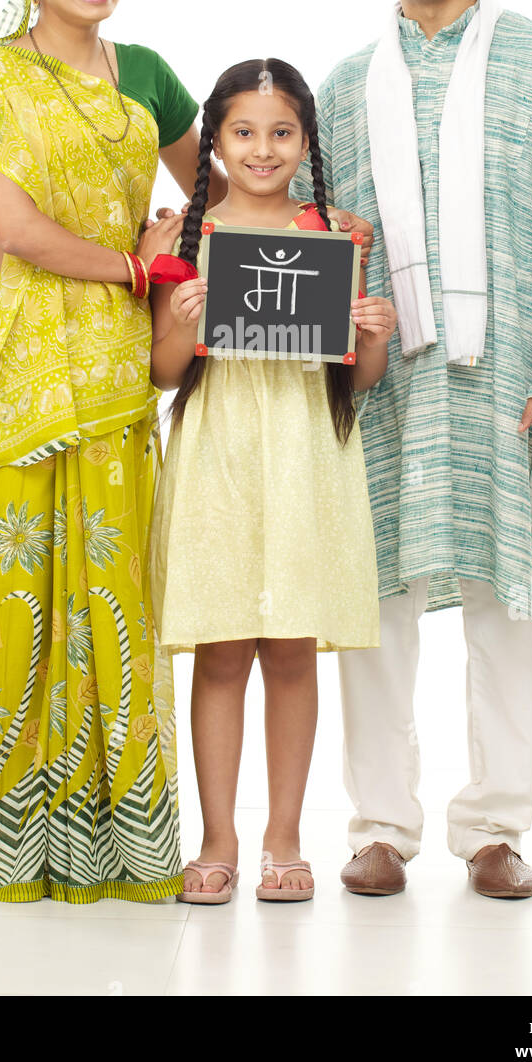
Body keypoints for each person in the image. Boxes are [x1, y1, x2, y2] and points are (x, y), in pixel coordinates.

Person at [289, 0, 532, 898]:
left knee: (500, 601)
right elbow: (301, 227)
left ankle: (491, 830)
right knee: (372, 598)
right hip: (382, 382)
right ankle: (379, 824)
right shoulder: (341, 88)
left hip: (505, 374)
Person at [0, 0, 226, 903]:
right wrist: (139, 267)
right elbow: (16, 231)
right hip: (7, 352)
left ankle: (111, 840)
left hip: (106, 358)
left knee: (109, 592)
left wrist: (183, 245)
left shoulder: (142, 75)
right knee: (2, 584)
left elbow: (214, 187)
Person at [148, 59, 397, 903]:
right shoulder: (187, 233)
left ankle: (284, 839)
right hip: (219, 449)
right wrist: (182, 322)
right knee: (220, 648)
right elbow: (162, 371)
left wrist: (375, 333)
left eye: (281, 132)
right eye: (243, 133)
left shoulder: (337, 234)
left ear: (307, 140)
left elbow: (356, 376)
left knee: (291, 648)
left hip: (304, 450)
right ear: (213, 139)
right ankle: (215, 839)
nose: (262, 149)